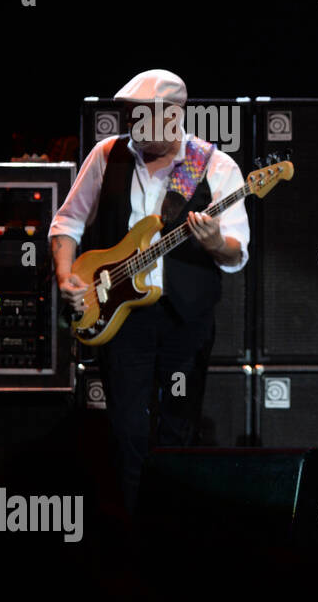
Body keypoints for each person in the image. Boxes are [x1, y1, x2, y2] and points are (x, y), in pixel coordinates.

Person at [49, 69, 250, 517]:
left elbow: (236, 252)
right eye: (132, 117)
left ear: (176, 115)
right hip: (121, 316)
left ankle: (173, 527)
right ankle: (131, 528)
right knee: (125, 430)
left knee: (179, 427)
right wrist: (67, 277)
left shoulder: (215, 165)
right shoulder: (108, 155)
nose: (138, 127)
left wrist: (214, 240)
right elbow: (67, 223)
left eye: (148, 117)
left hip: (186, 318)